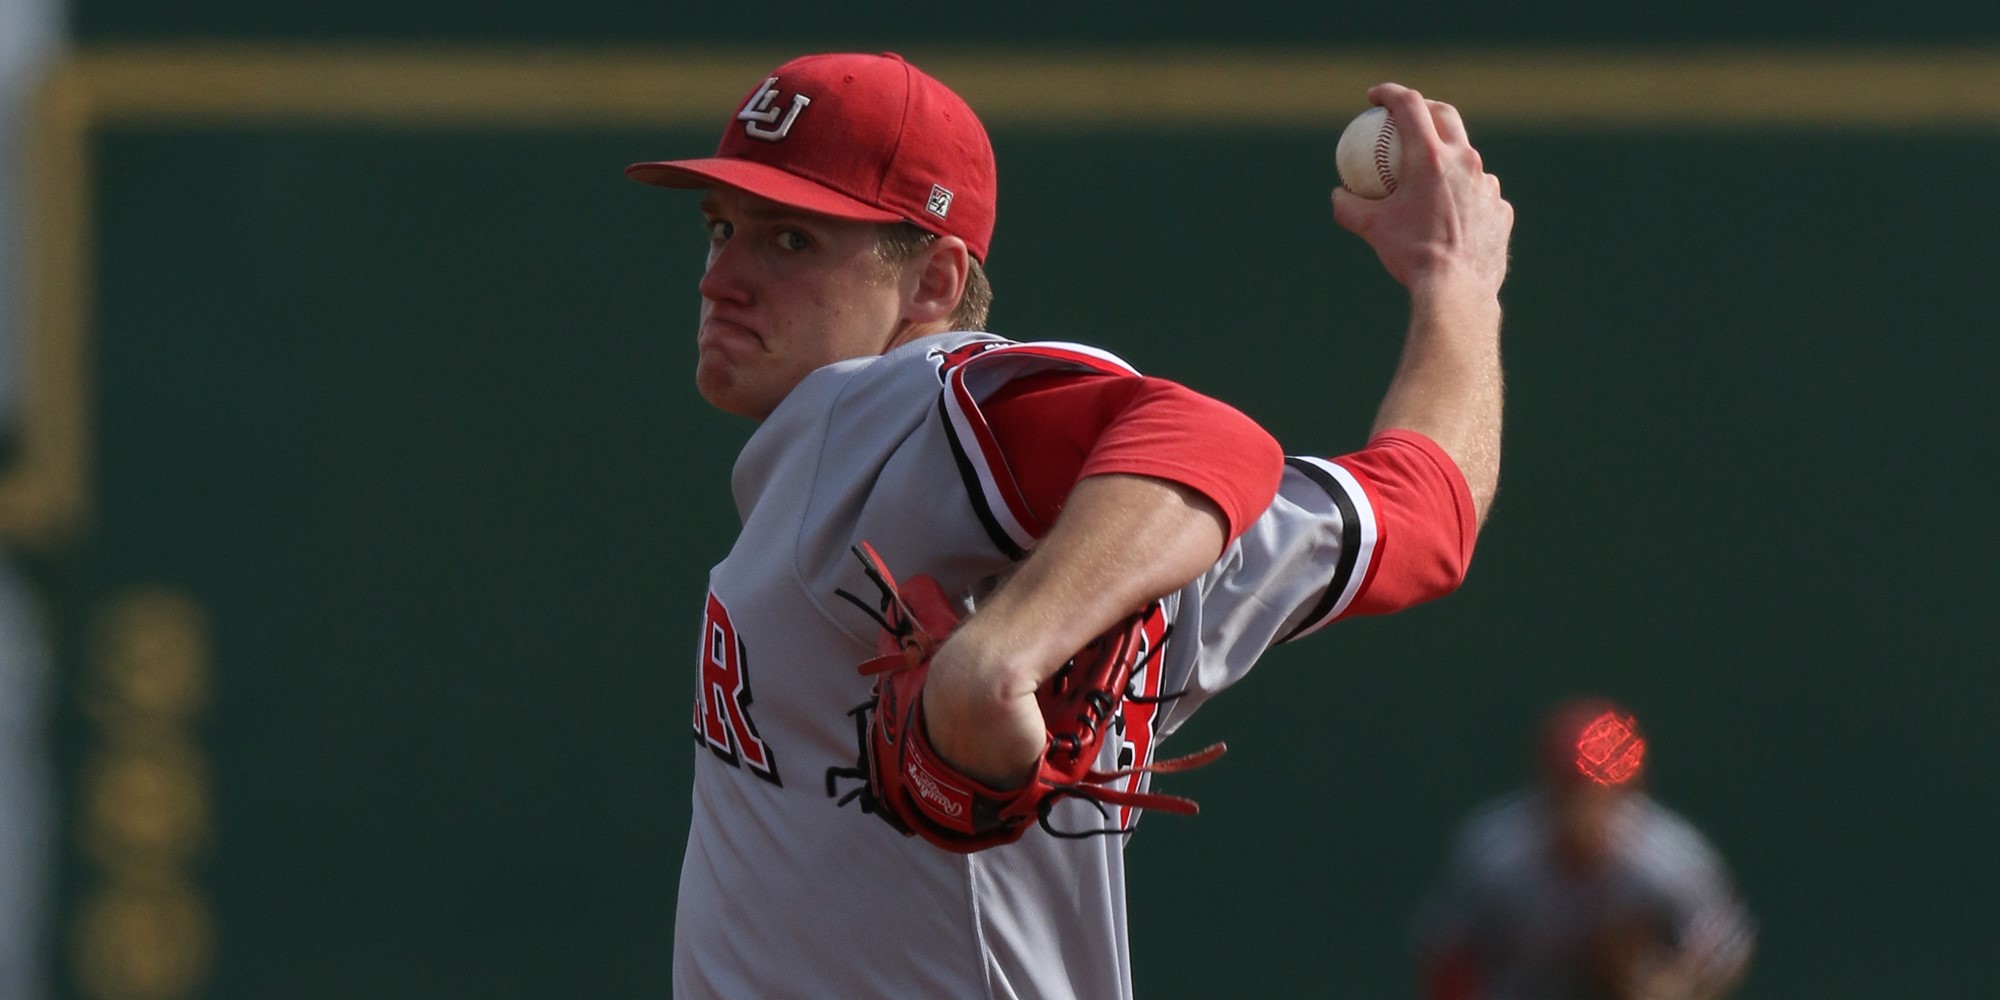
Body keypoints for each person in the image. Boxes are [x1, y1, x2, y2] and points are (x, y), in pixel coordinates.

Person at [625, 51, 1512, 999]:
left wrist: (999, 654)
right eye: (723, 229)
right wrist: (1457, 284)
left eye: (790, 240)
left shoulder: (898, 412)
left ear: (934, 285)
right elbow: (1428, 509)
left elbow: (1206, 433)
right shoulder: (1161, 541)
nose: (722, 277)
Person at [1411, 699, 1757, 1000]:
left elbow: (1725, 947)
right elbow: (1447, 953)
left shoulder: (1668, 861)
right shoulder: (1497, 852)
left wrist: (1672, 986)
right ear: (1547, 784)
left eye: (1601, 790)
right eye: (1572, 789)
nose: (1586, 806)